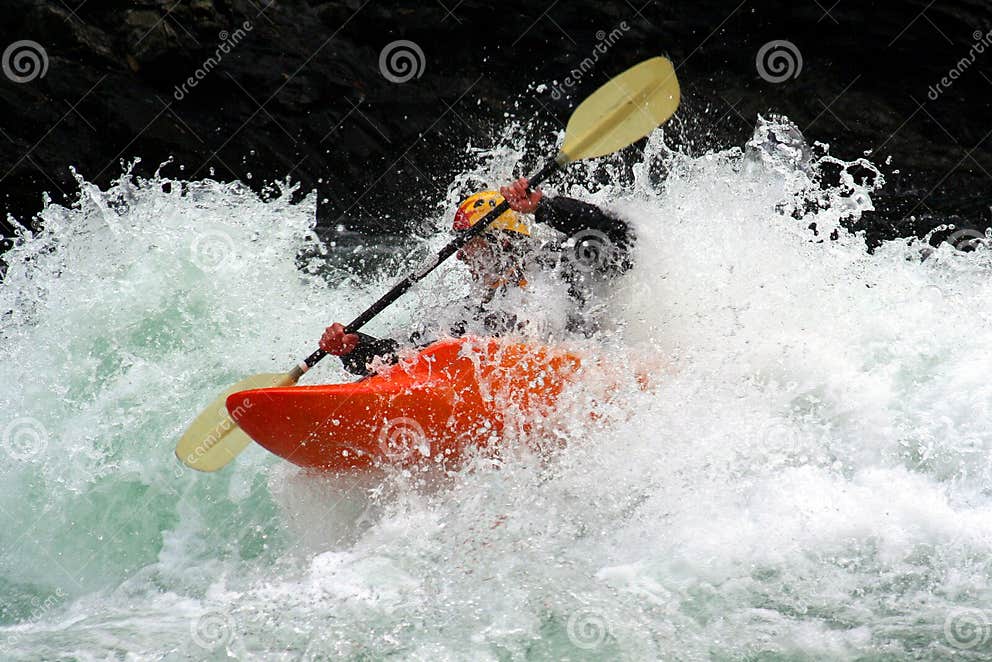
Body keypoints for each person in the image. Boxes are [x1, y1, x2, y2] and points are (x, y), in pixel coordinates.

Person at [321, 177, 636, 376]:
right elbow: (404, 359)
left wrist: (544, 208)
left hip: (593, 373)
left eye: (469, 245)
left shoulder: (561, 269)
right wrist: (356, 347)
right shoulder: (471, 314)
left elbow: (622, 239)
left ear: (503, 243)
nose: (460, 256)